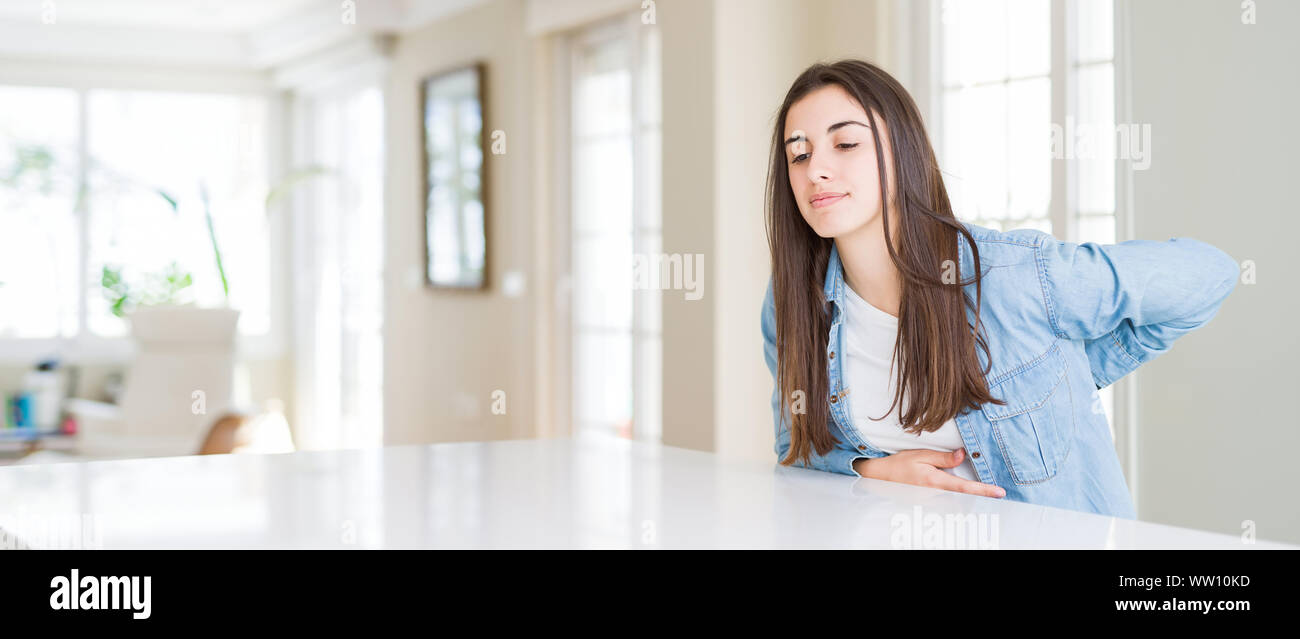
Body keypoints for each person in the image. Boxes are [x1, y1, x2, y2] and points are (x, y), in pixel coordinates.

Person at [761, 59, 1237, 519]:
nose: (815, 170)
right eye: (798, 153)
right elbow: (796, 448)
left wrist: (1072, 369)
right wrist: (872, 469)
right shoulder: (792, 302)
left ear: (902, 152)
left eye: (845, 144)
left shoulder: (1013, 276)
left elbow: (1209, 274)